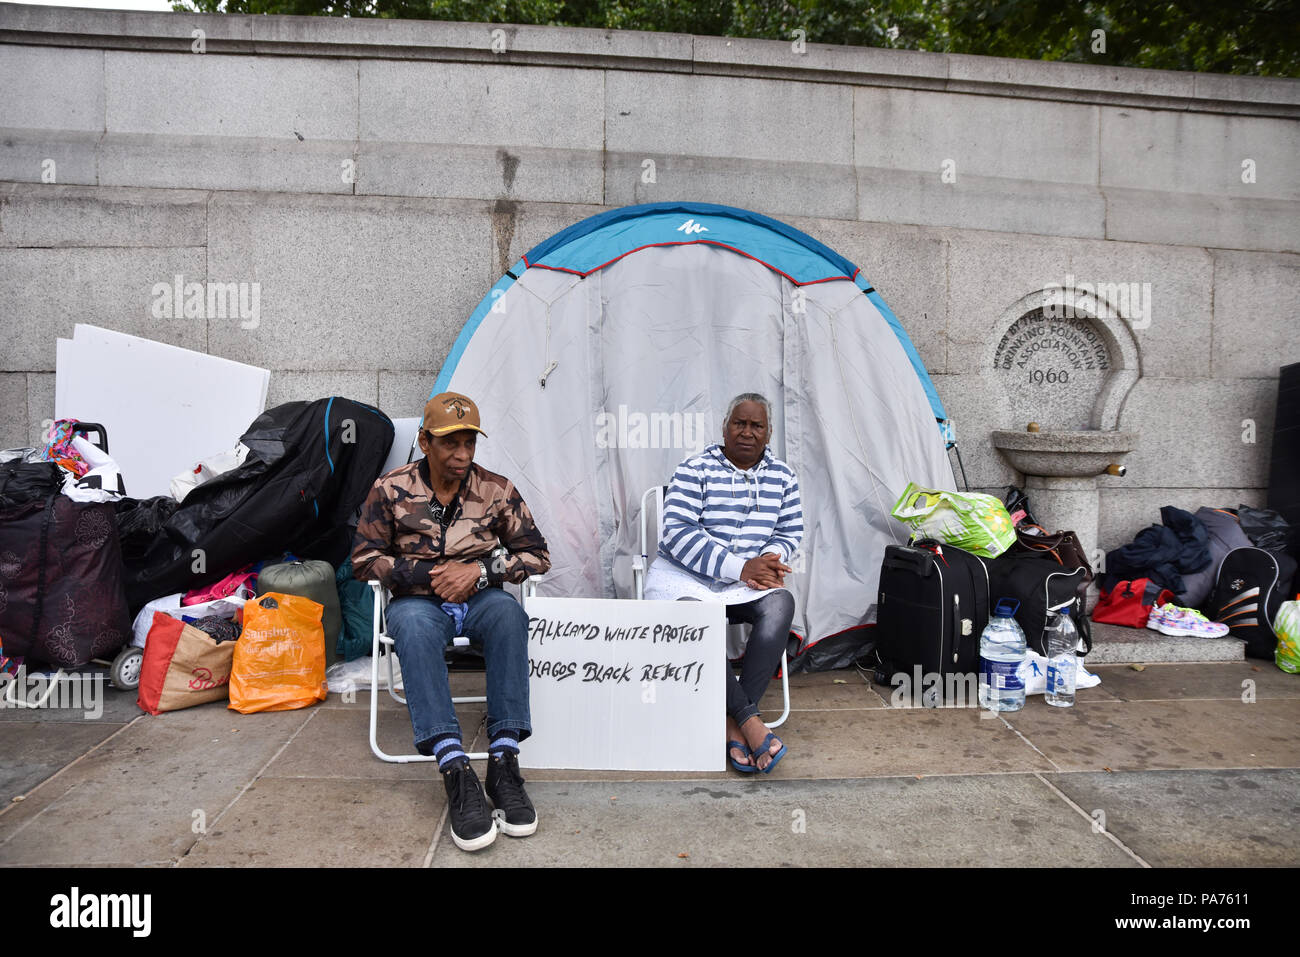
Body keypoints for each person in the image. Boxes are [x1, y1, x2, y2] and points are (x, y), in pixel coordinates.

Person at [353, 392, 551, 852]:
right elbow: (364, 559)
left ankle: (504, 761)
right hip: (417, 601)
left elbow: (537, 555)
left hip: (482, 597)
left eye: (469, 443)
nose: (462, 455)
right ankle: (454, 766)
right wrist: (427, 575)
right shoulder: (390, 488)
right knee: (415, 629)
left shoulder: (496, 489)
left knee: (508, 615)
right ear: (424, 440)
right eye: (449, 443)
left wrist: (480, 572)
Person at [644, 393, 802, 773]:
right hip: (685, 578)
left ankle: (732, 722)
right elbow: (677, 534)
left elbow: (790, 531)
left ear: (768, 434)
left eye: (757, 426)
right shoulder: (694, 468)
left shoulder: (783, 477)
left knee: (781, 605)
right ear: (725, 428)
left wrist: (768, 560)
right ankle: (749, 721)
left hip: (743, 583)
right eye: (739, 423)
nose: (747, 432)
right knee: (690, 618)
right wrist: (740, 566)